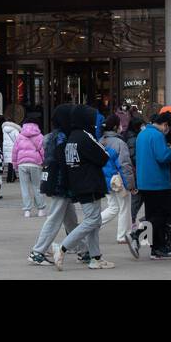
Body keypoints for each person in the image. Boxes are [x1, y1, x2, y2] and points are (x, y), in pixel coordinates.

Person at [53, 104, 111, 270]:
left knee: (95, 221)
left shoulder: (72, 137)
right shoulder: (85, 136)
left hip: (79, 183)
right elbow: (104, 156)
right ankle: (63, 247)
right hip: (90, 183)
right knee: (92, 220)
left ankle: (96, 257)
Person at [29, 104, 79, 265]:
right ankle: (37, 252)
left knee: (71, 220)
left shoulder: (51, 136)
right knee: (54, 218)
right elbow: (64, 160)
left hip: (56, 181)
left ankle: (83, 250)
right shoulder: (62, 137)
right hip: (61, 182)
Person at [134, 111, 171, 261]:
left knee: (152, 214)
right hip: (158, 182)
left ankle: (156, 249)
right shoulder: (158, 135)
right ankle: (137, 234)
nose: (168, 131)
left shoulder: (142, 134)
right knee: (163, 214)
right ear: (165, 125)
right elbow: (162, 157)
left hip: (144, 181)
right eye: (168, 128)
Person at [99, 114, 134, 243]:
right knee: (124, 207)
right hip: (118, 180)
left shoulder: (100, 141)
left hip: (106, 180)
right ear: (115, 127)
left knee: (113, 207)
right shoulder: (119, 143)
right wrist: (130, 185)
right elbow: (125, 165)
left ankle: (92, 225)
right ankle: (123, 235)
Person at [12, 119, 47, 217]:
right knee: (37, 186)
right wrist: (45, 162)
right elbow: (43, 151)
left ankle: (27, 211)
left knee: (24, 188)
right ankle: (41, 209)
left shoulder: (20, 136)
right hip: (35, 164)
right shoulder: (40, 136)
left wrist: (14, 164)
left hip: (22, 164)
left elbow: (15, 151)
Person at [1, 116, 21, 184]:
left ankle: (13, 176)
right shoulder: (15, 129)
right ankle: (9, 178)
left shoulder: (4, 129)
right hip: (13, 147)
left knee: (10, 163)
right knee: (12, 164)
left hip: (6, 148)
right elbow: (18, 139)